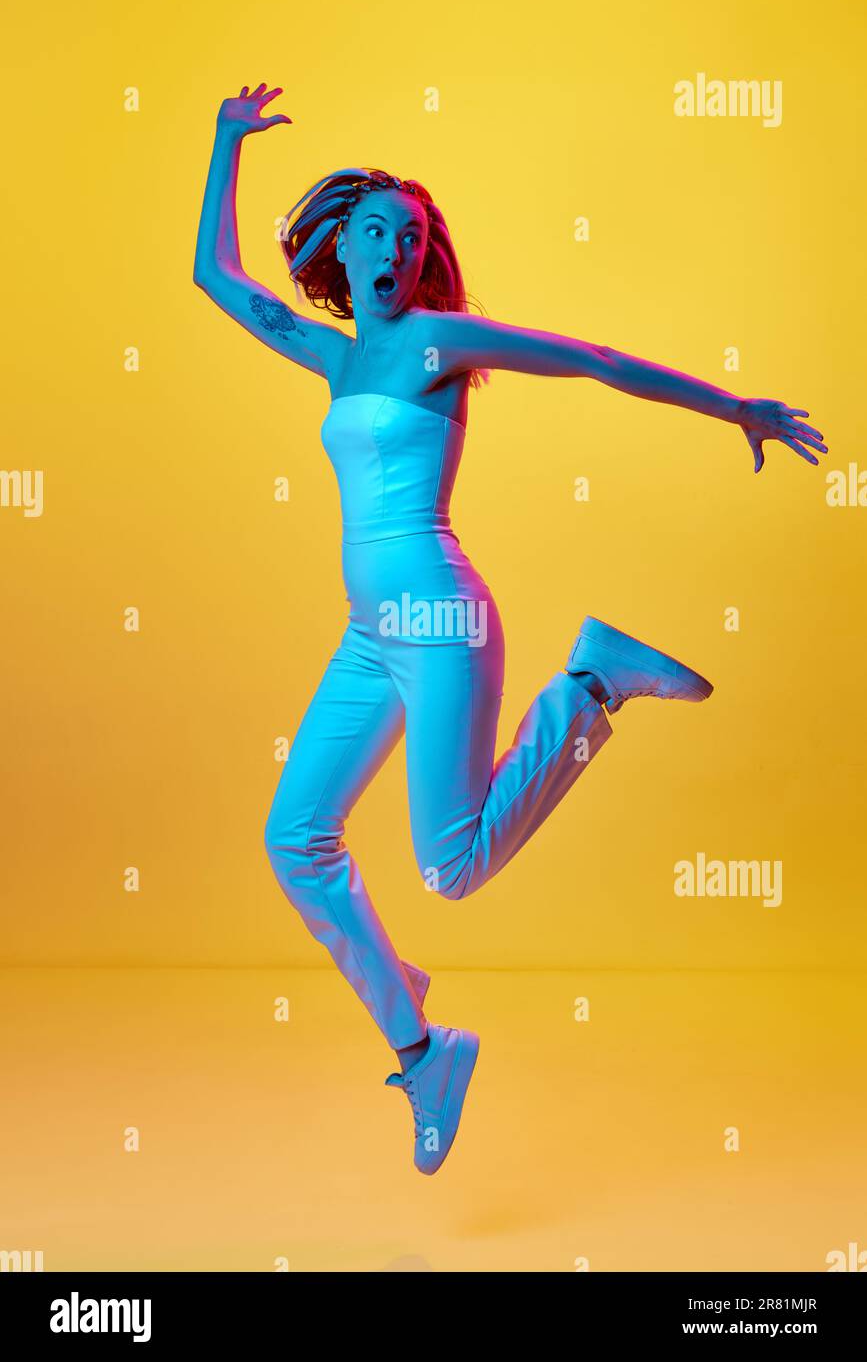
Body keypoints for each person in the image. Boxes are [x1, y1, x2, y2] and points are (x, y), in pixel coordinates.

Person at [193, 83, 828, 1175]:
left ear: (418, 257)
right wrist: (223, 143)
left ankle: (591, 688)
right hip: (371, 637)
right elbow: (215, 276)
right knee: (294, 842)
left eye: (410, 233)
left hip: (439, 622)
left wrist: (739, 410)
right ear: (339, 247)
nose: (392, 245)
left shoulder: (436, 339)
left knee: (450, 868)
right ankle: (423, 1051)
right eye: (374, 229)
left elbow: (590, 357)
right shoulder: (336, 354)